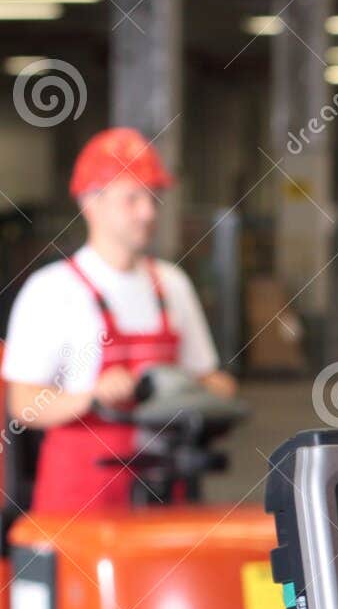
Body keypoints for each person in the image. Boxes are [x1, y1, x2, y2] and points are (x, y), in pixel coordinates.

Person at [2, 127, 237, 513]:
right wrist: (91, 396)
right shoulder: (52, 291)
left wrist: (209, 390)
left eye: (153, 197)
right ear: (90, 203)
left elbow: (208, 378)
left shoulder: (172, 285)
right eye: (131, 199)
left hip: (165, 495)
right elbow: (22, 403)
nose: (148, 212)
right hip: (81, 505)